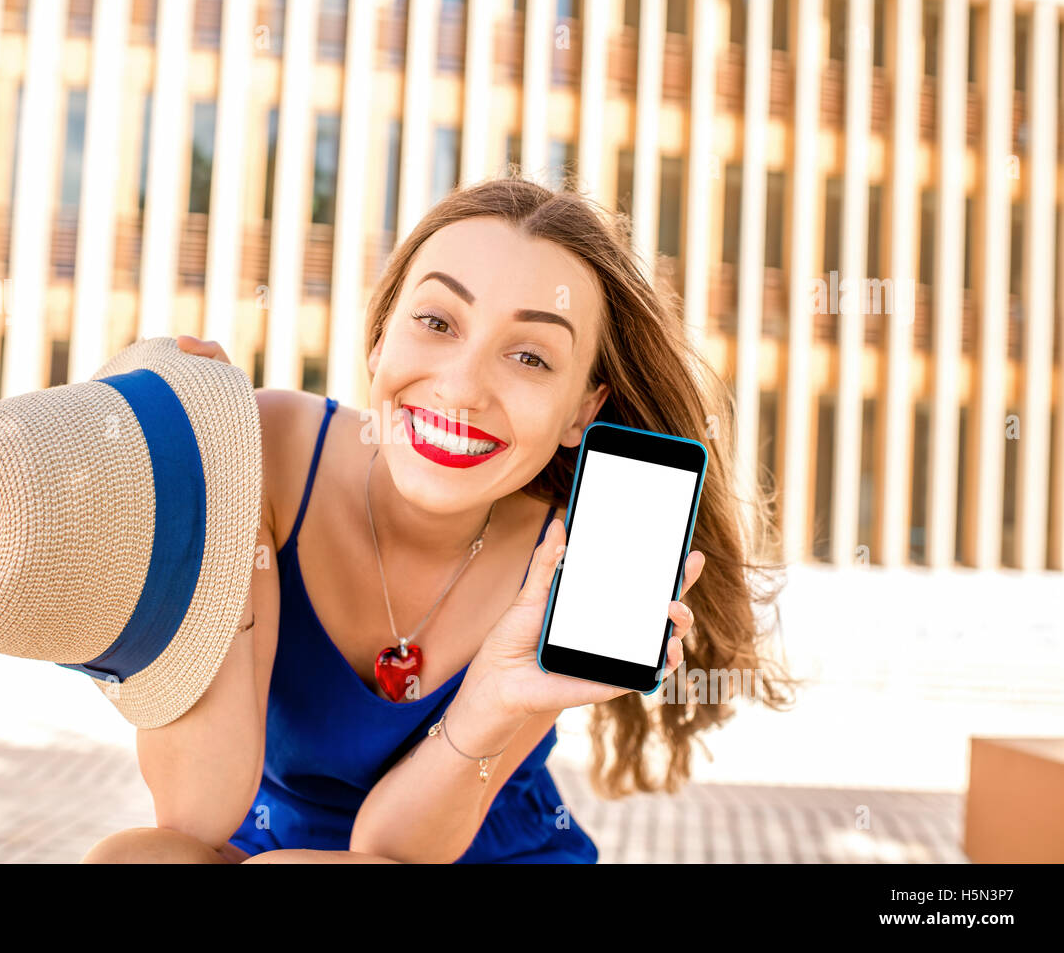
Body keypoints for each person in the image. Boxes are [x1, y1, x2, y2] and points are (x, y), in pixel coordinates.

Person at [83, 176, 794, 864]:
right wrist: (210, 504)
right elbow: (195, 812)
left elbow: (392, 849)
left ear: (583, 409)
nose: (460, 387)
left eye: (529, 356)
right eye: (436, 321)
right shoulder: (263, 450)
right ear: (380, 336)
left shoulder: (567, 559)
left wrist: (496, 695)